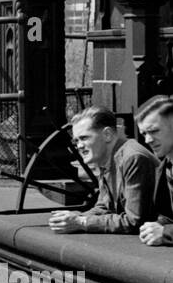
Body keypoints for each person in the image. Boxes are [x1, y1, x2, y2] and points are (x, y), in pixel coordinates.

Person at [48, 105, 157, 235]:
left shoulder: (133, 158)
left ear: (107, 135)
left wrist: (81, 222)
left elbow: (134, 221)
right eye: (76, 141)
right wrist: (75, 217)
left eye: (84, 138)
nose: (79, 146)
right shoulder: (106, 157)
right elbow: (104, 206)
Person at [136, 96, 173, 247]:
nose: (147, 140)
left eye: (154, 131)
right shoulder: (164, 168)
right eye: (144, 133)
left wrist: (166, 233)